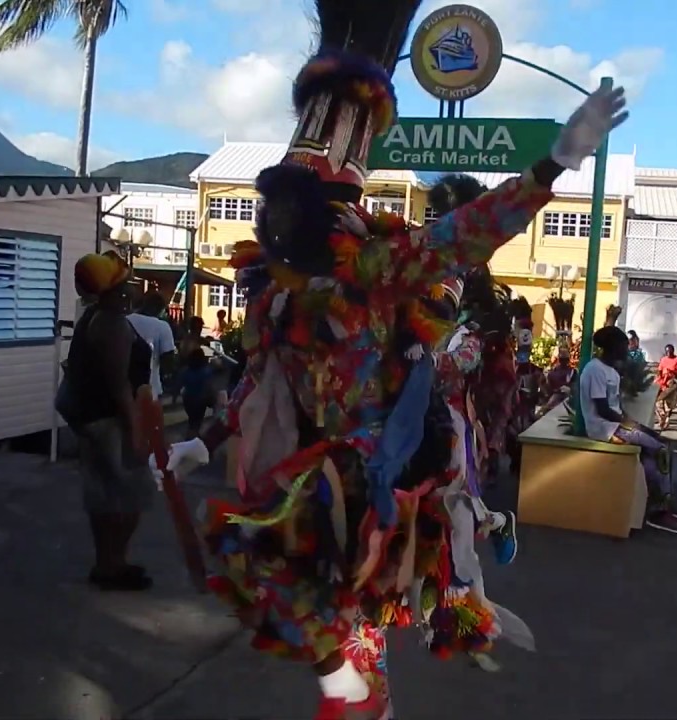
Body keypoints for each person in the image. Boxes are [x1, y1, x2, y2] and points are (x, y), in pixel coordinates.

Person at [168, 10, 631, 715]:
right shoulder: (273, 296)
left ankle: (383, 673)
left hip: (374, 488)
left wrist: (555, 161)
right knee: (318, 627)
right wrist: (199, 442)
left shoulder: (378, 267)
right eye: (275, 205)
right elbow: (262, 387)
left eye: (293, 204)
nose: (279, 220)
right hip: (303, 484)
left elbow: (468, 234)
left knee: (358, 646)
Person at [64, 252, 156, 591]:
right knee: (129, 494)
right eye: (126, 283)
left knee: (103, 495)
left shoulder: (93, 317)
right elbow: (120, 385)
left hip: (90, 418)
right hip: (110, 422)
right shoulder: (112, 325)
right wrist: (135, 431)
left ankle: (106, 563)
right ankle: (114, 563)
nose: (131, 290)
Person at [580, 326, 677, 534]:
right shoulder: (594, 370)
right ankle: (659, 512)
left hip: (615, 425)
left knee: (656, 451)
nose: (627, 349)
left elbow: (615, 406)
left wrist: (636, 425)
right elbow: (603, 409)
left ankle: (662, 504)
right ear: (613, 347)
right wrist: (631, 426)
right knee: (661, 449)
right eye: (624, 345)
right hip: (603, 429)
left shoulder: (611, 371)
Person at [127, 290, 177, 399]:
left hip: (126, 387)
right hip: (151, 388)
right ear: (159, 308)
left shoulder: (126, 320)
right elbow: (168, 359)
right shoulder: (162, 327)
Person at [179, 348, 213, 440]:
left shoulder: (186, 371)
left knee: (192, 421)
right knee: (197, 422)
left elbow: (181, 384)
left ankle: (192, 438)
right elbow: (208, 386)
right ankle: (193, 439)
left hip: (188, 399)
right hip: (200, 400)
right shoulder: (206, 371)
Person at [654, 343, 677, 430]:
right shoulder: (663, 359)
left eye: (670, 351)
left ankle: (666, 419)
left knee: (669, 403)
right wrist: (659, 378)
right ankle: (662, 419)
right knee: (658, 401)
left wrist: (672, 372)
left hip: (672, 383)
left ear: (673, 351)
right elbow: (659, 370)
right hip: (663, 382)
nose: (669, 353)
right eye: (667, 352)